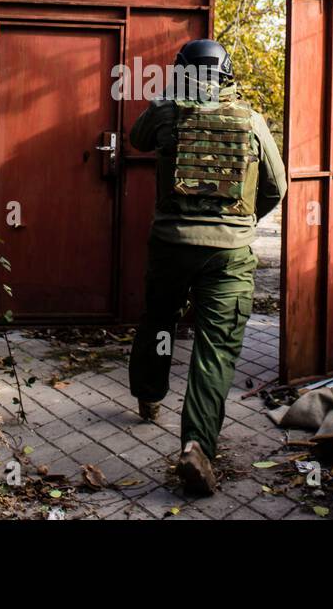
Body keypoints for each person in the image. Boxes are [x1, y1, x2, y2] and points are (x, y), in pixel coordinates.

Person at [127, 38, 287, 495]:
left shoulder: (165, 110)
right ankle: (196, 446)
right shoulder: (251, 119)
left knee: (158, 321)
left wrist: (165, 100)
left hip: (170, 246)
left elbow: (137, 140)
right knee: (215, 348)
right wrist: (241, 222)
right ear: (228, 76)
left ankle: (149, 398)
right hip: (229, 255)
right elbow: (277, 187)